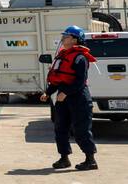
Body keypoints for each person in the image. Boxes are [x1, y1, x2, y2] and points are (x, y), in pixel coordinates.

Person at [41, 26, 98, 171]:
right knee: (60, 128)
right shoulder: (62, 56)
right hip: (62, 98)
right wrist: (48, 92)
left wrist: (65, 93)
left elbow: (80, 81)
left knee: (81, 130)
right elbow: (57, 79)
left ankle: (90, 160)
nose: (63, 38)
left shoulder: (80, 57)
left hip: (79, 97)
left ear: (74, 39)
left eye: (66, 36)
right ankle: (64, 158)